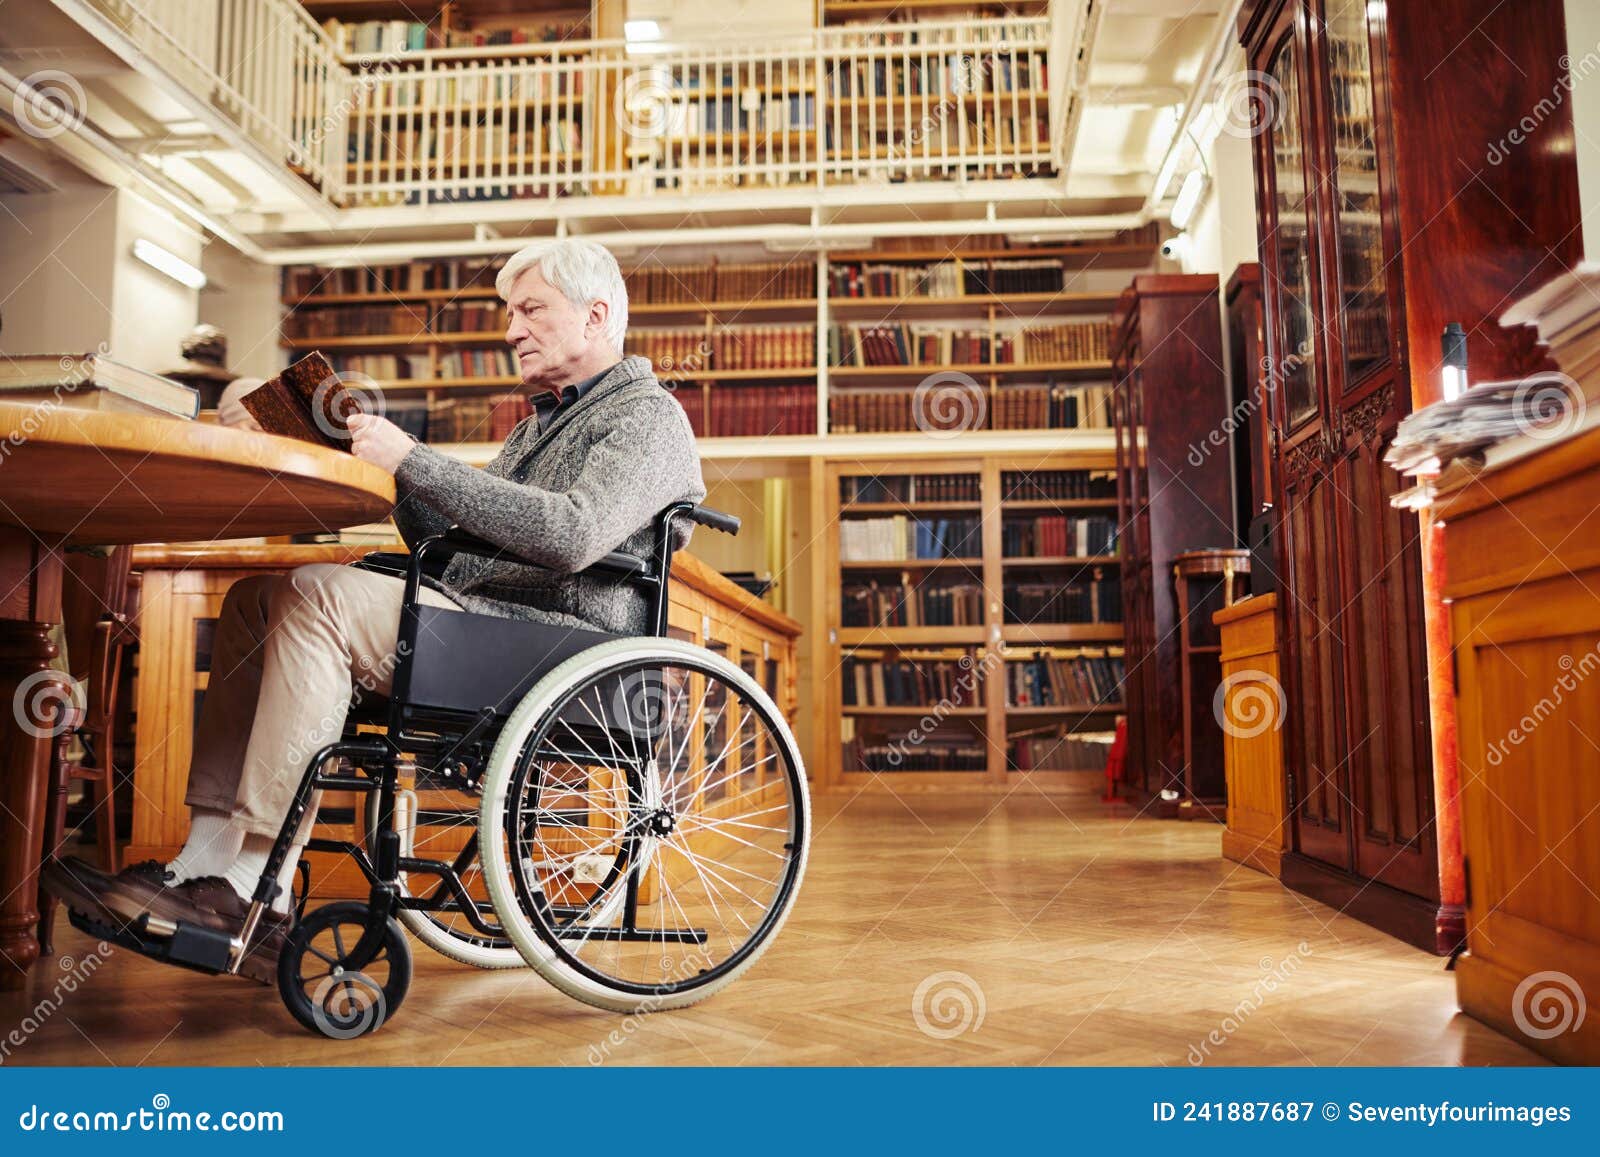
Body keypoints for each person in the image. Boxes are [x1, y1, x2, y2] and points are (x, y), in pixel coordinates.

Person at [43, 239, 707, 981]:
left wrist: (413, 460)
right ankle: (202, 863)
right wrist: (380, 467)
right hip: (486, 624)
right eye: (508, 313)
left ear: (597, 315)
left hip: (560, 648)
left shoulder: (649, 417)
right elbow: (464, 551)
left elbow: (571, 534)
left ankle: (251, 884)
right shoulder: (535, 427)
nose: (512, 329)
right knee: (252, 600)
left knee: (311, 592)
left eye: (530, 310)